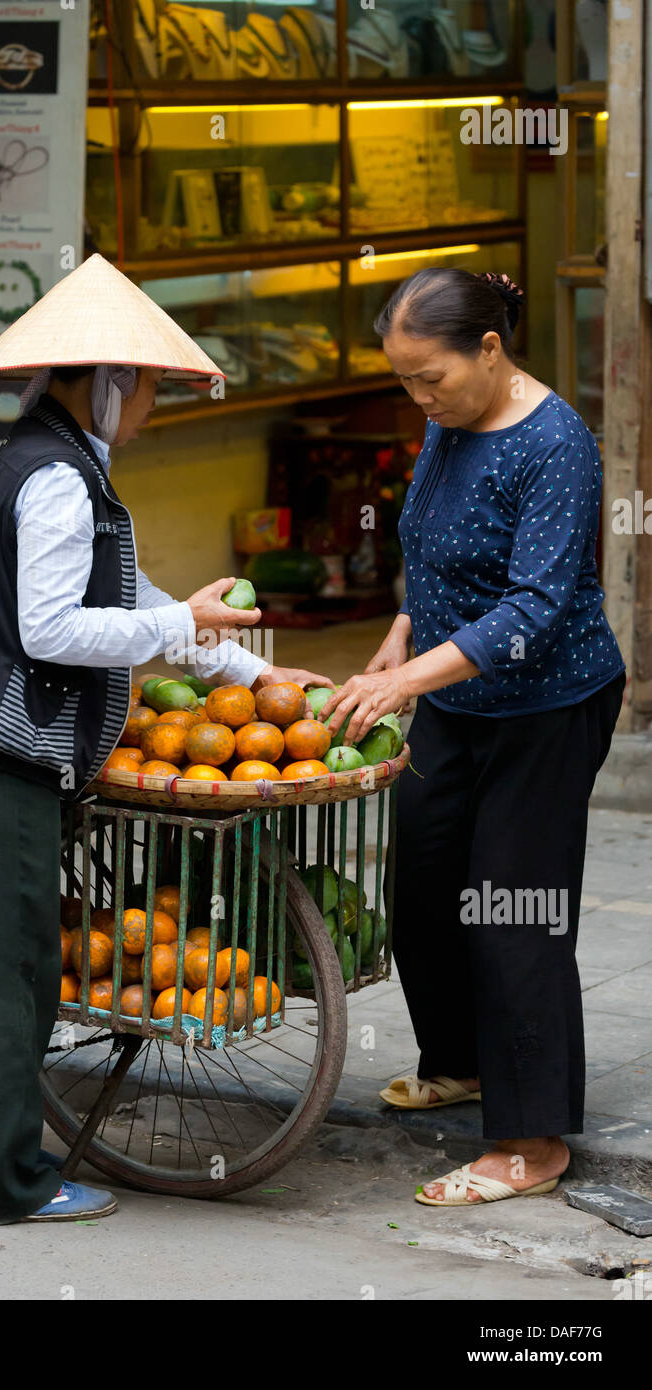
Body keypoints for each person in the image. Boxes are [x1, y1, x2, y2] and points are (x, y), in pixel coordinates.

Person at [0, 254, 329, 1225]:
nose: (149, 415)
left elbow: (133, 602)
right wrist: (184, 630)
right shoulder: (53, 477)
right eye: (146, 394)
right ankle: (1, 1183)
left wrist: (255, 674)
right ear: (106, 382)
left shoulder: (56, 466)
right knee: (10, 977)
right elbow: (53, 630)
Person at [320, 268, 625, 1207]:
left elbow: (534, 606)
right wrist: (402, 635)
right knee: (422, 880)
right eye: (406, 381)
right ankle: (461, 1061)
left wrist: (406, 680)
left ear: (489, 351)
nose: (419, 399)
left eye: (430, 379)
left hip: (546, 708)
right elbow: (437, 546)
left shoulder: (555, 444)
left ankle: (533, 1141)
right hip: (457, 695)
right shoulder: (449, 418)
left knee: (512, 913)